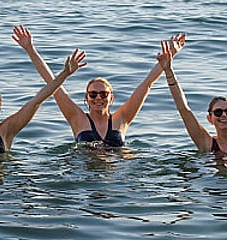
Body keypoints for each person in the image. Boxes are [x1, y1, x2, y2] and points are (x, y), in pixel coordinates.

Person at [13, 26, 184, 149]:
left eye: (103, 94)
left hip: (115, 176)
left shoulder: (122, 118)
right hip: (85, 176)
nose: (98, 98)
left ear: (111, 97)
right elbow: (51, 82)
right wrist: (30, 50)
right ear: (86, 98)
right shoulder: (76, 118)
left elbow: (146, 84)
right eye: (93, 94)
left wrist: (169, 58)